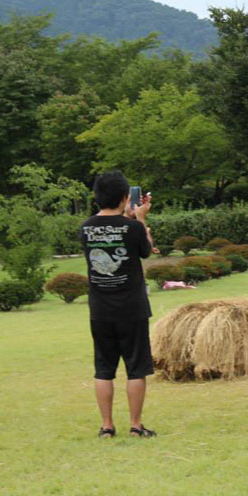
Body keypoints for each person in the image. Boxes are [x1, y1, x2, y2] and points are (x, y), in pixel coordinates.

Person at [81, 171, 157, 438]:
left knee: (104, 368)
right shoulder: (133, 227)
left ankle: (106, 426)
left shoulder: (86, 227)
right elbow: (146, 250)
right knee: (136, 367)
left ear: (97, 197)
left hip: (100, 309)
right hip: (132, 308)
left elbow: (109, 231)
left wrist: (128, 216)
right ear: (126, 197)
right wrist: (142, 219)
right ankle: (136, 426)